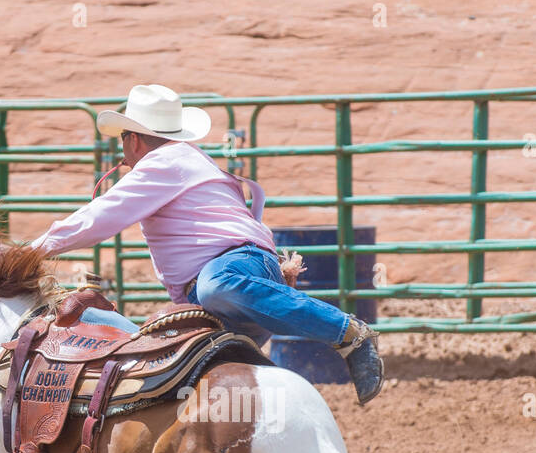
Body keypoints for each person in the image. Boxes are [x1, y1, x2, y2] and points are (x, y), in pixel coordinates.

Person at [29, 84, 384, 403]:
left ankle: (347, 330)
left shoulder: (164, 163)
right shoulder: (184, 160)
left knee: (216, 290)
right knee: (187, 379)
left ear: (133, 139)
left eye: (123, 137)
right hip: (220, 291)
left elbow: (99, 217)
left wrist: (28, 253)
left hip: (229, 276)